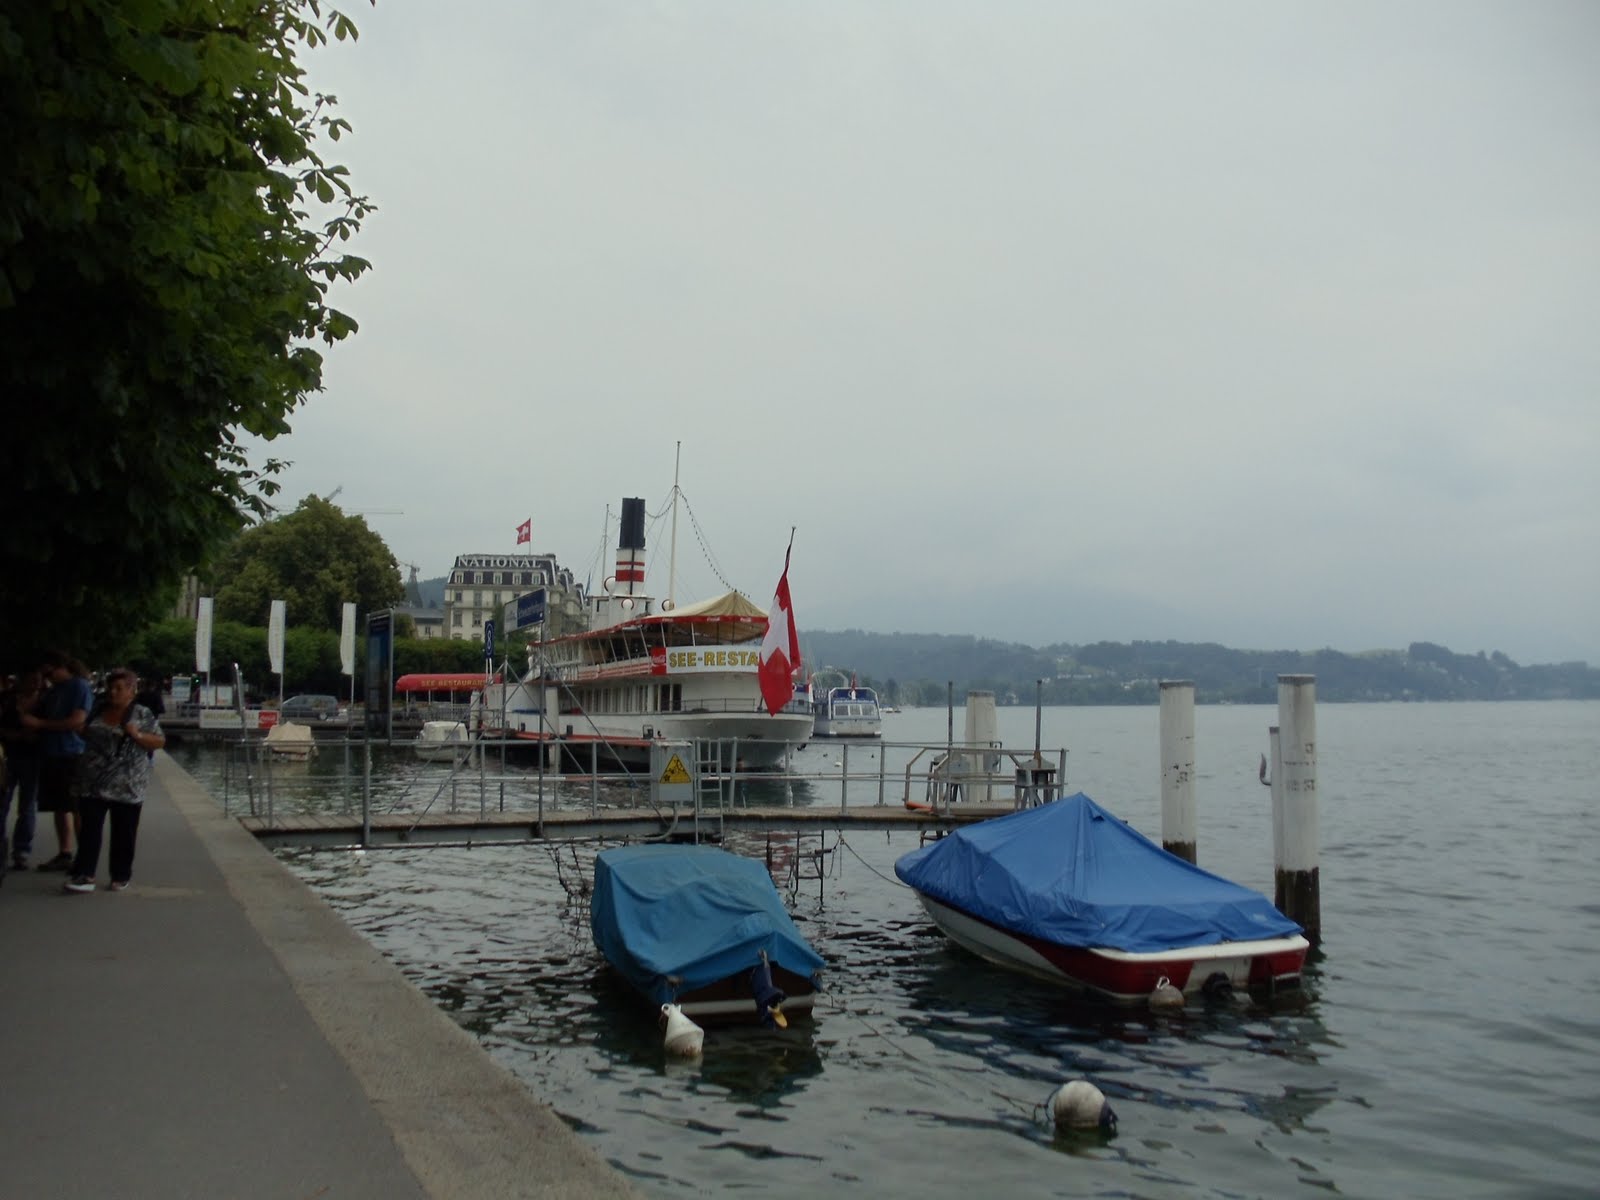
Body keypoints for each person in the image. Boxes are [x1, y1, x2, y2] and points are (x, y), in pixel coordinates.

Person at [63, 668, 165, 893]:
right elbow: (84, 732)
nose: (113, 692)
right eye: (111, 687)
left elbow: (159, 741)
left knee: (124, 832)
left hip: (127, 784)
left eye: (120, 688)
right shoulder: (98, 710)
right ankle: (84, 873)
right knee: (90, 829)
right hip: (92, 782)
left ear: (132, 690)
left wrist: (137, 735)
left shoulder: (141, 713)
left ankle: (120, 875)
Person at [23, 651, 93, 870]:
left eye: (49, 672)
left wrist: (40, 725)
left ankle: (84, 856)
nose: (48, 676)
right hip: (51, 752)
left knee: (75, 806)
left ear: (61, 667)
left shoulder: (78, 686)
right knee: (59, 806)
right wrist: (36, 688)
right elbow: (30, 712)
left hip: (71, 752)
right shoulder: (52, 690)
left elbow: (77, 720)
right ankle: (65, 852)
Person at [0, 669, 45, 872]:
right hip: (7, 755)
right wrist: (11, 734)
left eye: (39, 680)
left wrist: (35, 735)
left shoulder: (45, 701)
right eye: (32, 679)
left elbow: (48, 727)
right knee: (2, 802)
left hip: (32, 757)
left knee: (27, 806)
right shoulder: (8, 699)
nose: (36, 683)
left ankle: (21, 851)